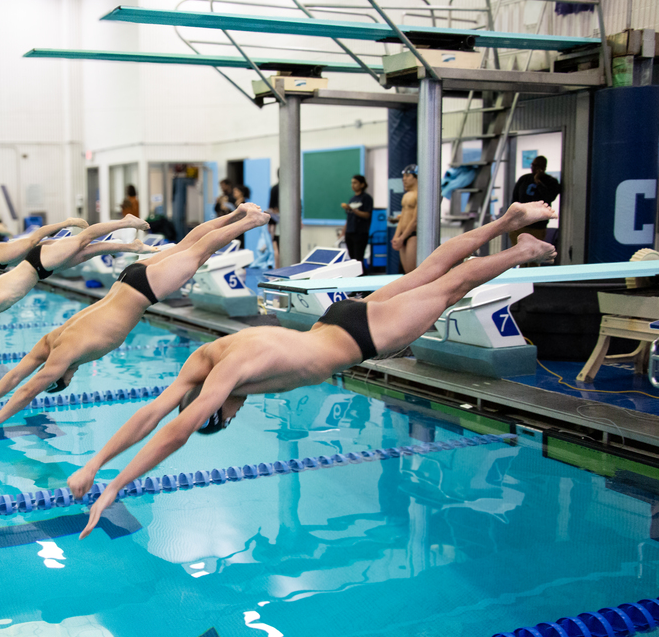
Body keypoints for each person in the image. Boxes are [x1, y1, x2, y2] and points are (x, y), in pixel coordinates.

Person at [69, 201, 558, 539]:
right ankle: (504, 223)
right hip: (335, 319)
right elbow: (152, 412)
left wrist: (113, 484)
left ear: (217, 411)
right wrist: (92, 465)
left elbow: (173, 429)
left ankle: (521, 249)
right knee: (424, 274)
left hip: (360, 338)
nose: (233, 416)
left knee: (449, 287)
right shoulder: (204, 360)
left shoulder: (226, 377)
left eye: (224, 417)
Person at [0, 205, 270, 444]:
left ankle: (248, 221)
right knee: (188, 244)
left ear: (60, 377)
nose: (73, 373)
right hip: (126, 279)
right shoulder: (52, 340)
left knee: (198, 251)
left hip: (143, 291)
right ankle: (238, 213)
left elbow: (25, 389)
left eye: (67, 378)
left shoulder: (63, 356)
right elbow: (15, 374)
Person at [0, 225, 162, 382]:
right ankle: (130, 246)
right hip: (39, 267)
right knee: (87, 251)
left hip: (38, 264)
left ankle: (126, 223)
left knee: (84, 240)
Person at [510, 156, 560, 245]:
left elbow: (549, 197)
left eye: (537, 165)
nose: (533, 167)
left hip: (537, 226)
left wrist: (538, 181)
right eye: (533, 165)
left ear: (543, 167)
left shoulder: (551, 182)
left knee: (533, 254)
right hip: (520, 224)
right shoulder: (524, 179)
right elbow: (515, 200)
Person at [339, 175, 374, 263]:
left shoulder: (366, 198)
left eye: (355, 183)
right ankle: (356, 275)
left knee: (358, 258)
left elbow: (367, 215)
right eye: (352, 183)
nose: (353, 185)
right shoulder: (352, 199)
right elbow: (349, 218)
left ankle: (362, 275)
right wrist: (343, 231)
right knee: (352, 258)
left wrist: (354, 210)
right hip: (349, 232)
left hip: (360, 232)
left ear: (362, 184)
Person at [391, 164, 418, 273]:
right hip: (402, 235)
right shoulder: (406, 195)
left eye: (407, 176)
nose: (404, 179)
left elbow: (416, 220)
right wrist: (396, 237)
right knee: (406, 273)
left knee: (412, 272)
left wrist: (402, 238)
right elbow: (402, 218)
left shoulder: (420, 195)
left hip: (412, 236)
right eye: (403, 176)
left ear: (416, 177)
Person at [267, 171, 280, 267]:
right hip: (278, 223)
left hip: (278, 224)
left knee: (277, 248)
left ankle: (277, 268)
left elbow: (271, 208)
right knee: (277, 248)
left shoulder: (274, 188)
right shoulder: (275, 188)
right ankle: (277, 268)